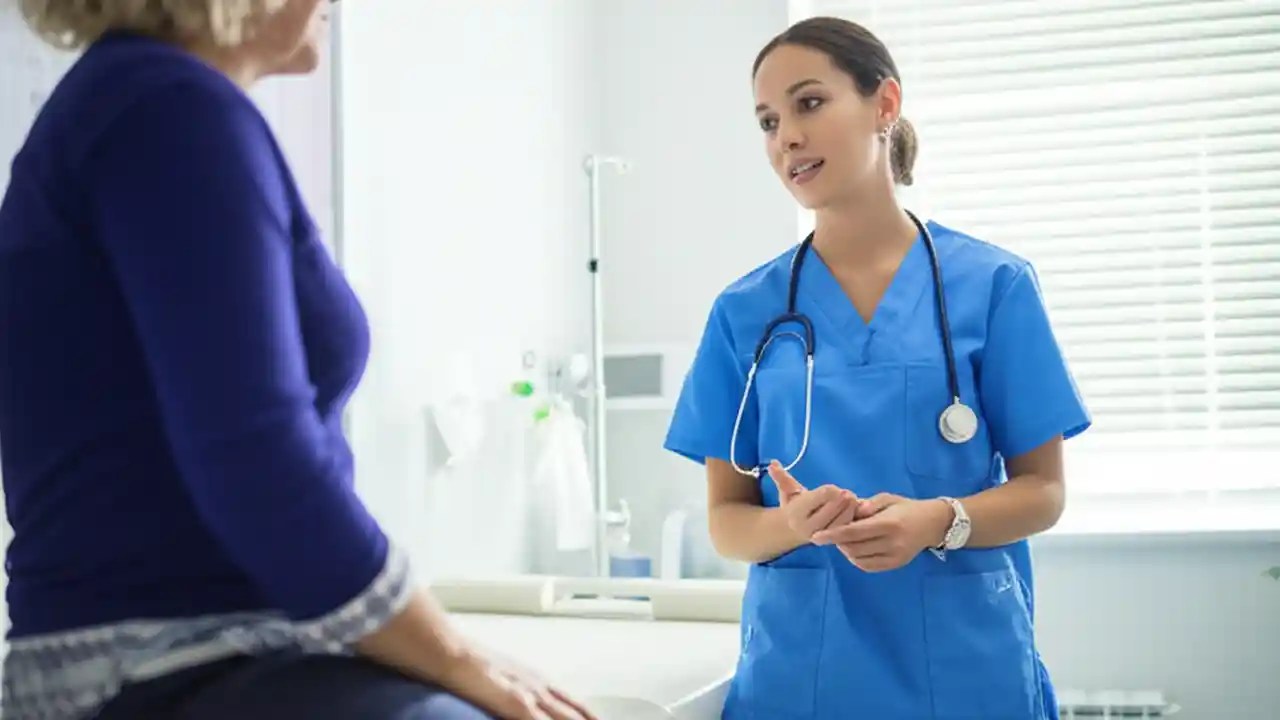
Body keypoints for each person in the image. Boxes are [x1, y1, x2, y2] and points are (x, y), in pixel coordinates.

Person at [0, 2, 597, 719]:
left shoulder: (145, 103)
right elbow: (258, 460)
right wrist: (457, 657)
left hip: (201, 651)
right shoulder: (168, 109)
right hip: (157, 662)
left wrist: (448, 653)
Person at [663, 16, 1092, 720]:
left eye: (808, 103)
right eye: (768, 121)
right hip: (802, 675)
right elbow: (727, 522)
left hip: (966, 671)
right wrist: (797, 524)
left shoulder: (995, 285)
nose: (786, 138)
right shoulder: (744, 314)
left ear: (884, 105)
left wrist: (939, 520)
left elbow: (1043, 491)